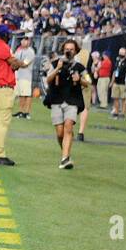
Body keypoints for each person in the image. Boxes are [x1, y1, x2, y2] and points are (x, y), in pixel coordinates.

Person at [44, 38, 90, 169]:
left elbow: (88, 81)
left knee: (68, 126)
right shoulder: (55, 63)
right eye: (66, 49)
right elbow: (48, 80)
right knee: (60, 132)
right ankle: (64, 152)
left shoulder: (80, 67)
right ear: (63, 50)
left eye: (71, 49)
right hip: (56, 99)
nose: (68, 51)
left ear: (76, 51)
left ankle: (65, 158)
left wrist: (80, 80)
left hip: (72, 100)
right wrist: (57, 68)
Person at [0, 24, 24, 166]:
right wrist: (21, 63)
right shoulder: (1, 45)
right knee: (3, 122)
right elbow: (14, 63)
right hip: (3, 87)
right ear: (4, 35)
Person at [12, 35, 36, 119]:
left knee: (26, 94)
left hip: (26, 76)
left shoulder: (30, 51)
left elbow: (25, 64)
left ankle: (27, 112)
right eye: (22, 40)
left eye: (26, 40)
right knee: (20, 94)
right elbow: (13, 60)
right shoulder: (19, 51)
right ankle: (21, 111)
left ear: (29, 42)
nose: (24, 42)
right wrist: (18, 62)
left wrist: (17, 63)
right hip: (18, 75)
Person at [111, 47, 126, 119]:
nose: (121, 54)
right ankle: (116, 111)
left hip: (123, 83)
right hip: (116, 82)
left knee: (123, 98)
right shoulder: (117, 60)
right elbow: (115, 71)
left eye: (122, 52)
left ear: (125, 53)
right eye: (120, 52)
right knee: (115, 97)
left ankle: (122, 113)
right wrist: (112, 81)